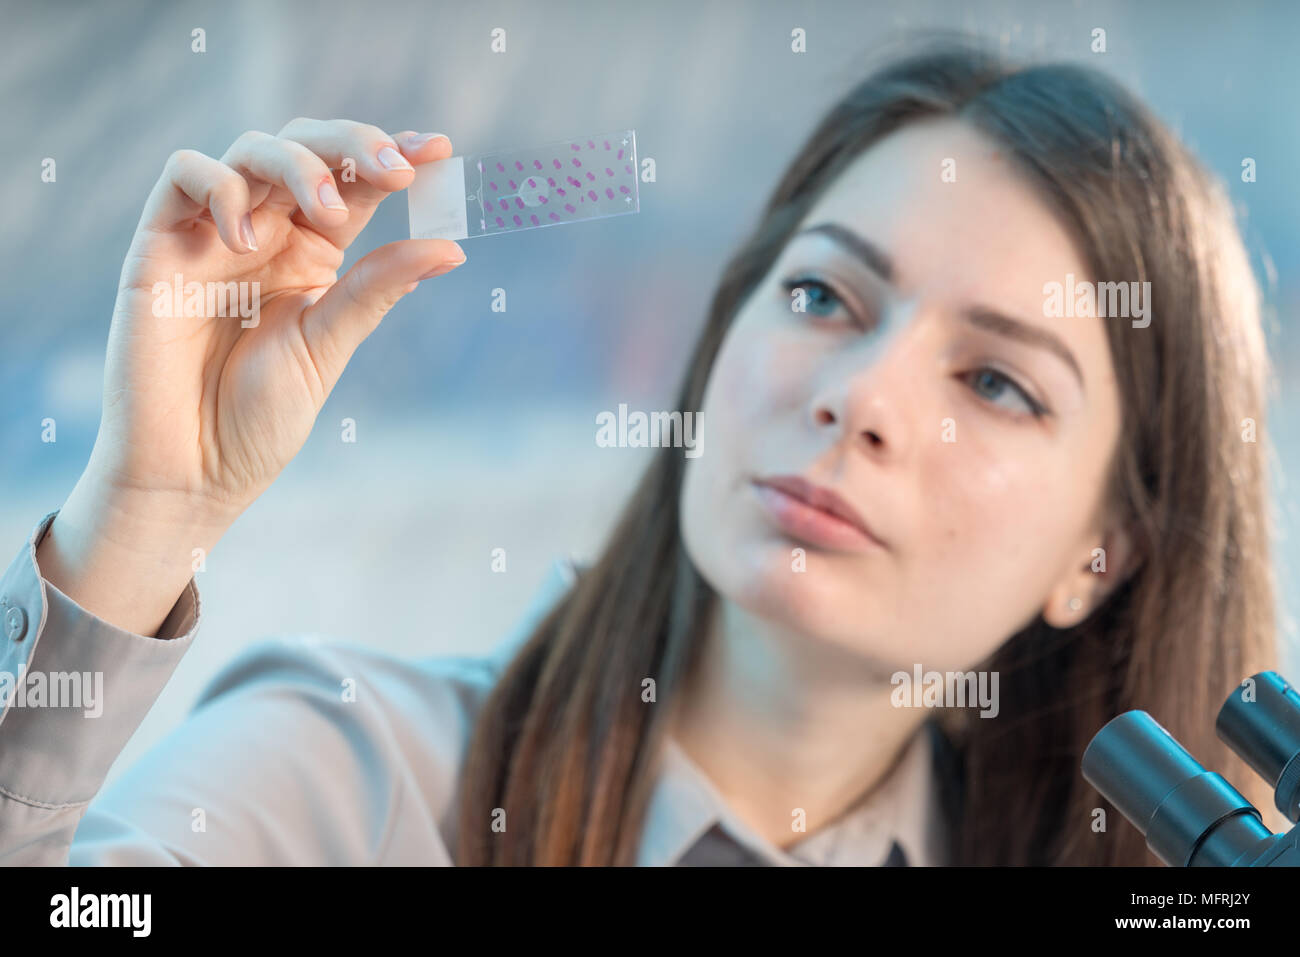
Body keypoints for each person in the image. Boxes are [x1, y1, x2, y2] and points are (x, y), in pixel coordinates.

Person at [0, 41, 1282, 866]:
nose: (860, 398)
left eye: (996, 380)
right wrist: (145, 513)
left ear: (1102, 557)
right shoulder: (348, 779)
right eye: (825, 298)